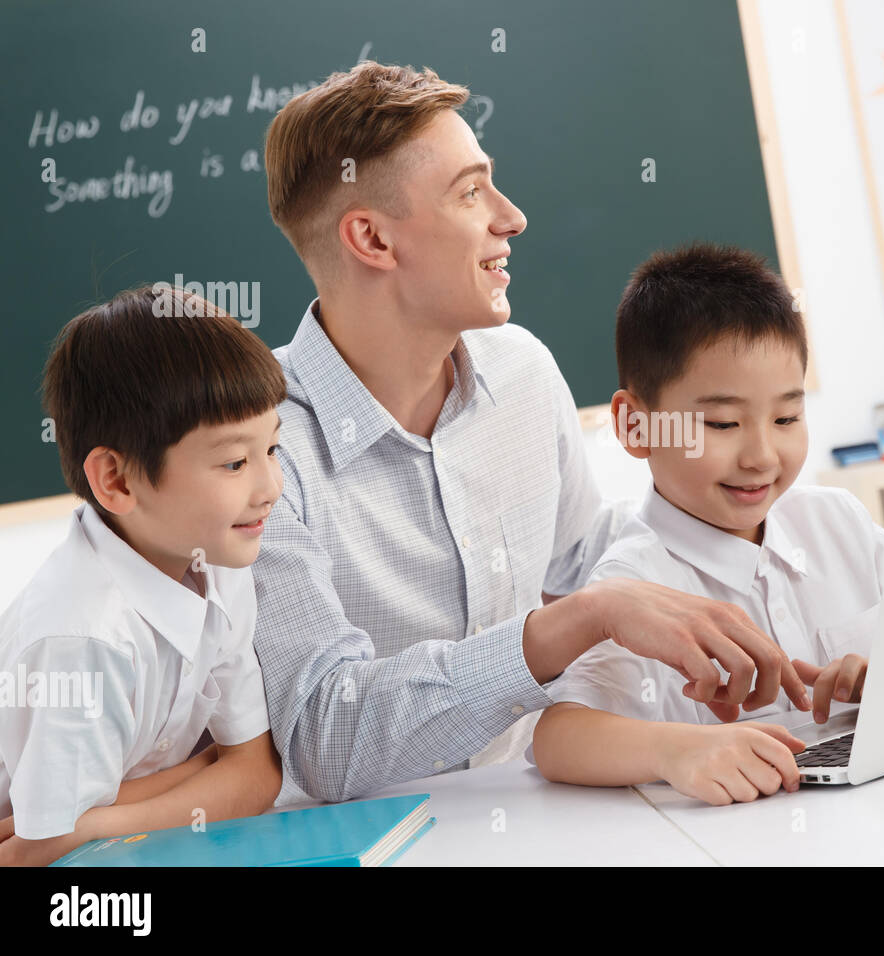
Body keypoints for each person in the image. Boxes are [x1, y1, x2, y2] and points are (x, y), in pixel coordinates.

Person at [255, 63, 810, 803]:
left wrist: (780, 599)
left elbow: (587, 563)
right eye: (469, 192)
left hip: (539, 806)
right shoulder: (255, 447)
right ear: (372, 240)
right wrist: (580, 620)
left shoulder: (522, 372)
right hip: (367, 840)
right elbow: (329, 738)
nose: (510, 217)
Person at [532, 243, 884, 805]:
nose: (762, 456)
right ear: (635, 425)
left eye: (786, 417)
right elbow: (557, 738)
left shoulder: (836, 521)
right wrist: (674, 750)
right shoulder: (633, 583)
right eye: (721, 424)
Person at [0, 285, 283, 866]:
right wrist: (206, 769)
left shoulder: (220, 561)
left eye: (273, 448)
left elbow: (257, 774)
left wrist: (100, 820)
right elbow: (40, 855)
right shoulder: (83, 635)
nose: (270, 489)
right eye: (234, 462)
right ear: (118, 481)